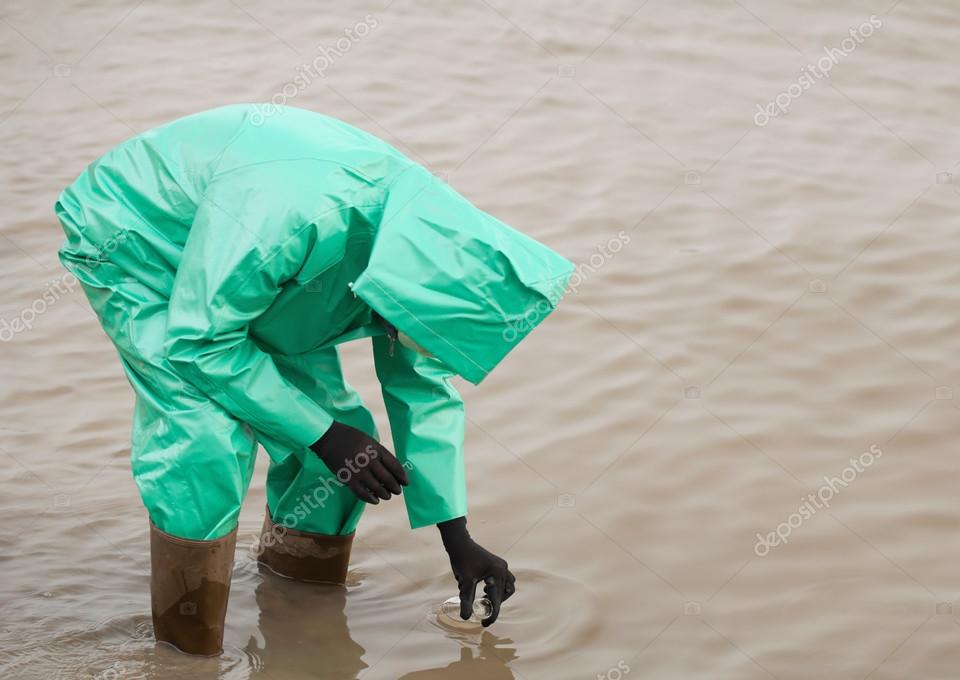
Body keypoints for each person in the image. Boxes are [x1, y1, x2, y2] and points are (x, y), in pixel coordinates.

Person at [55, 104, 573, 656]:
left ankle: (298, 617)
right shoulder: (291, 218)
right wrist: (322, 435)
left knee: (346, 440)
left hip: (271, 270)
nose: (412, 345)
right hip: (141, 239)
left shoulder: (437, 263)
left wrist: (457, 537)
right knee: (206, 440)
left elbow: (423, 388)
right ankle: (187, 650)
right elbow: (199, 341)